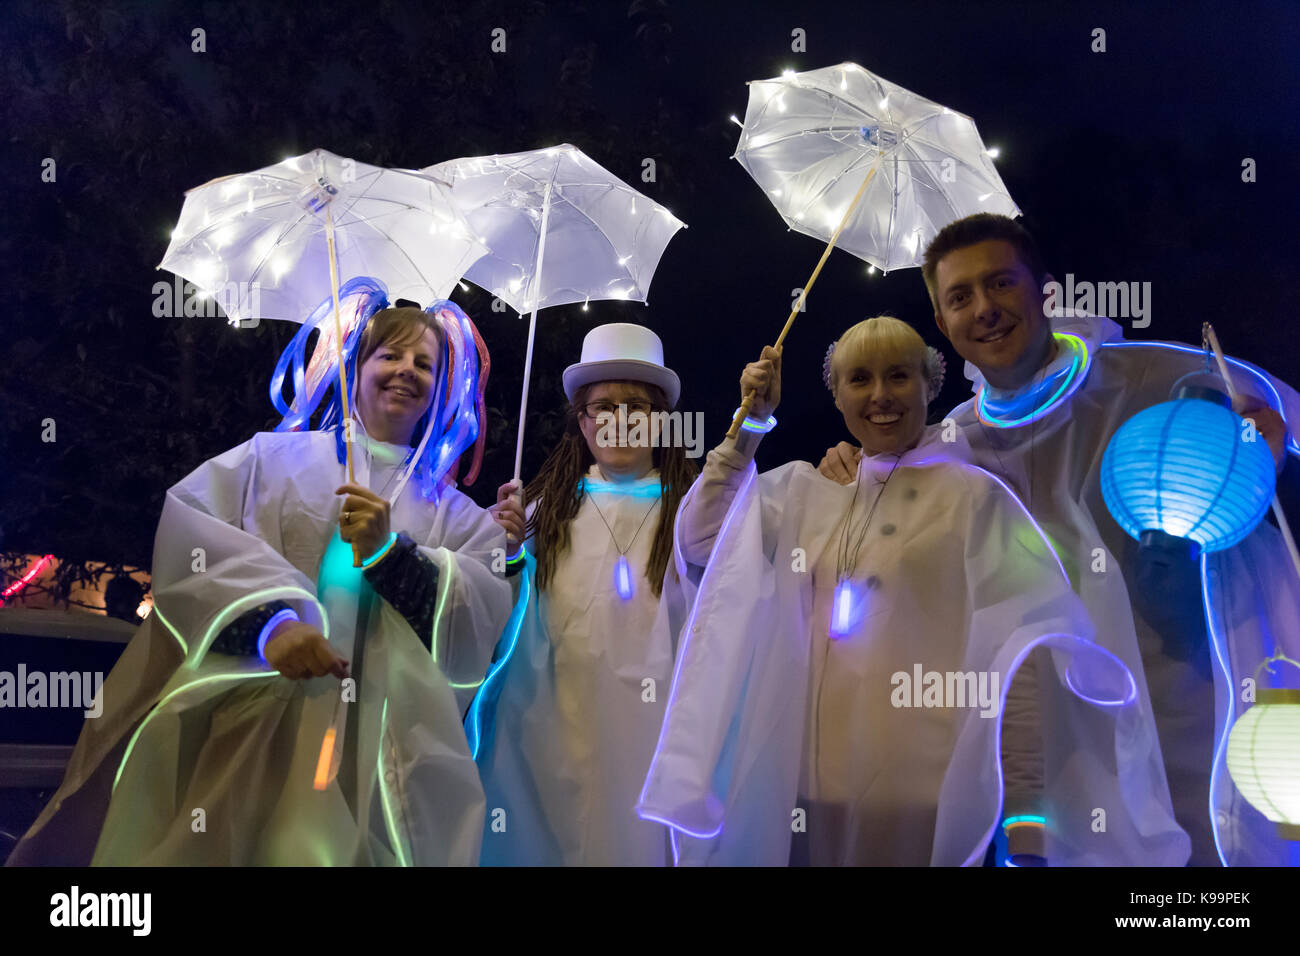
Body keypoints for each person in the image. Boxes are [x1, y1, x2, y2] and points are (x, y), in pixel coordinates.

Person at [819, 214, 1300, 865]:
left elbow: (1273, 432)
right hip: (1064, 754)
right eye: (961, 297)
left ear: (1043, 290)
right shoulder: (952, 445)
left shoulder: (1154, 376)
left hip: (1197, 711)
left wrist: (1261, 452)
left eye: (1001, 284)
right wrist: (849, 466)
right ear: (942, 319)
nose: (984, 309)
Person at [637, 316, 1188, 866]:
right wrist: (751, 425)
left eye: (899, 376)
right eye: (860, 379)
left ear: (930, 386)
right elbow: (703, 540)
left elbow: (1019, 663)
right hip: (806, 800)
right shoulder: (809, 492)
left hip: (924, 809)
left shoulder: (976, 499)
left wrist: (1026, 823)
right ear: (836, 396)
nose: (880, 396)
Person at [8, 281, 522, 866]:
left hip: (382, 755)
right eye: (390, 354)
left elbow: (480, 612)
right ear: (356, 366)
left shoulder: (454, 514)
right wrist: (272, 621)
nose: (406, 370)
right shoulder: (269, 461)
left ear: (440, 389)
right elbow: (196, 530)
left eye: (424, 363)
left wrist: (393, 556)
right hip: (257, 722)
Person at [470, 323, 698, 865]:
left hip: (655, 737)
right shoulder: (535, 516)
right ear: (582, 421)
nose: (619, 421)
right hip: (545, 744)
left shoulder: (694, 516)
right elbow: (486, 619)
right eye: (604, 407)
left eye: (637, 406)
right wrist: (502, 554)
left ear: (662, 420)